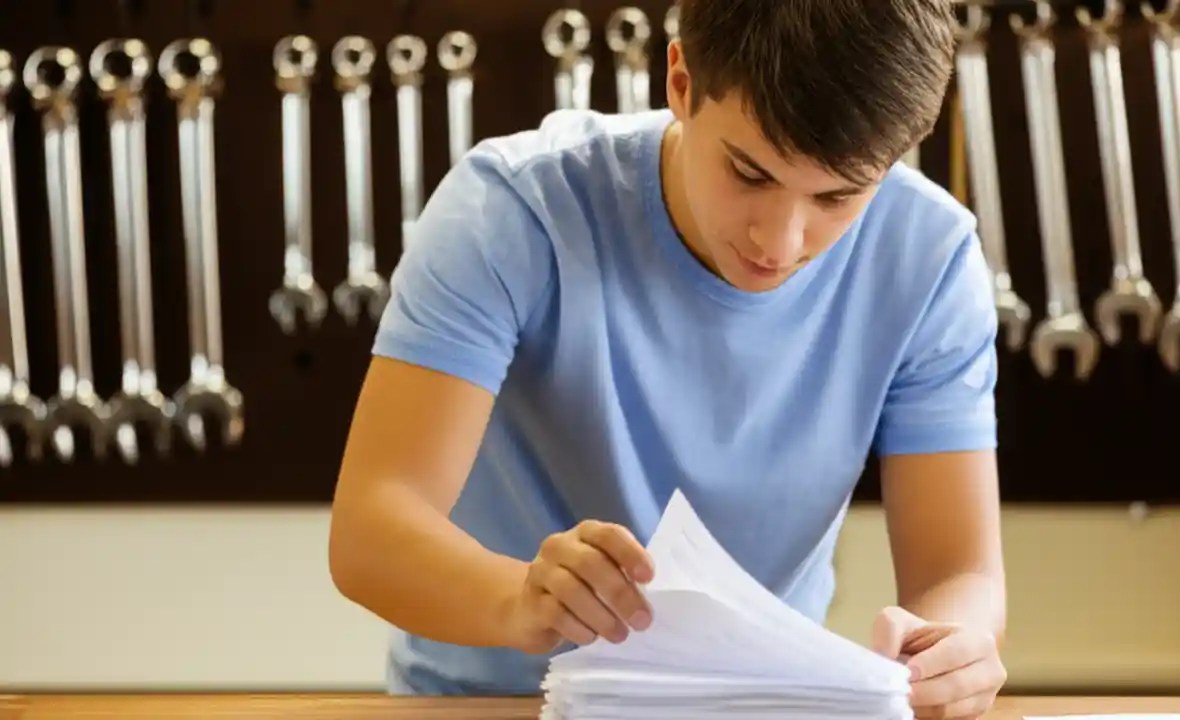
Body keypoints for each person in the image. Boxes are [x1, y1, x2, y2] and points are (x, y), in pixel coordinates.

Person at [328, 0, 1009, 717]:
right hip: (491, 706)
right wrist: (518, 599)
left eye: (839, 196)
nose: (780, 243)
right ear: (680, 82)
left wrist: (954, 647)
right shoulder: (511, 211)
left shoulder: (931, 258)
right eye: (750, 173)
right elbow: (372, 531)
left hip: (760, 709)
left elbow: (957, 571)